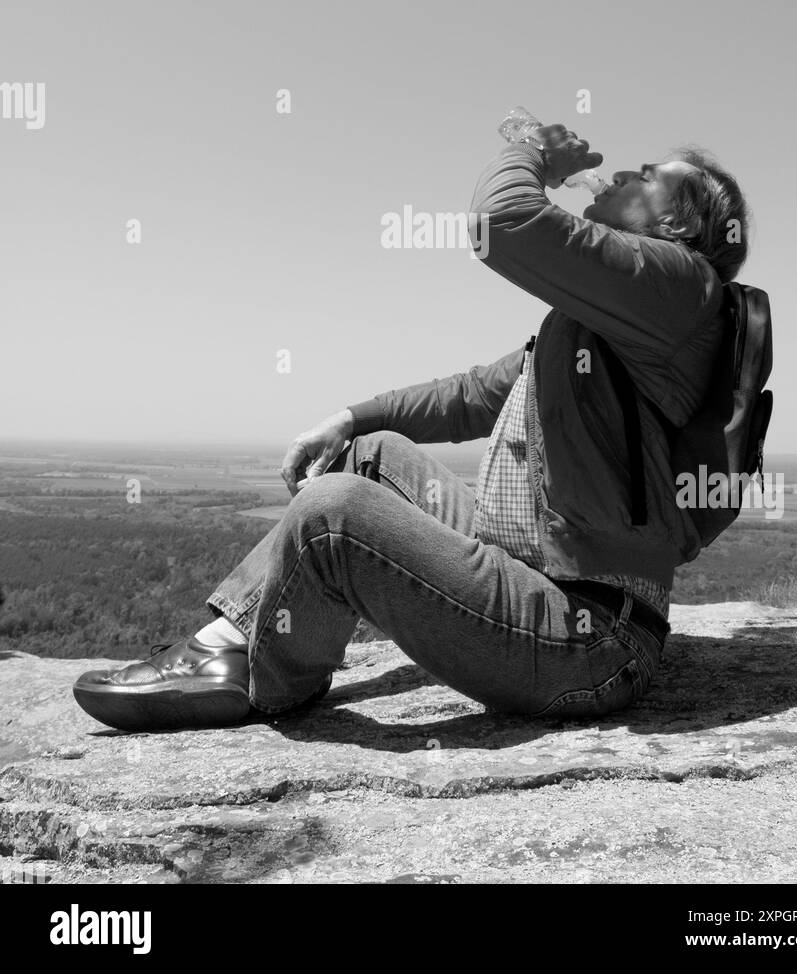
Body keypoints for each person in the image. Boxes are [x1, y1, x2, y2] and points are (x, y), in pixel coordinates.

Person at [73, 124, 749, 732]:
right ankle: (228, 642)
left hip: (589, 639)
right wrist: (349, 417)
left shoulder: (683, 287)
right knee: (366, 459)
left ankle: (259, 674)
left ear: (679, 230)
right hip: (536, 583)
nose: (626, 174)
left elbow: (501, 221)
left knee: (332, 516)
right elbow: (474, 394)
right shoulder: (607, 324)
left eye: (649, 177)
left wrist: (535, 153)